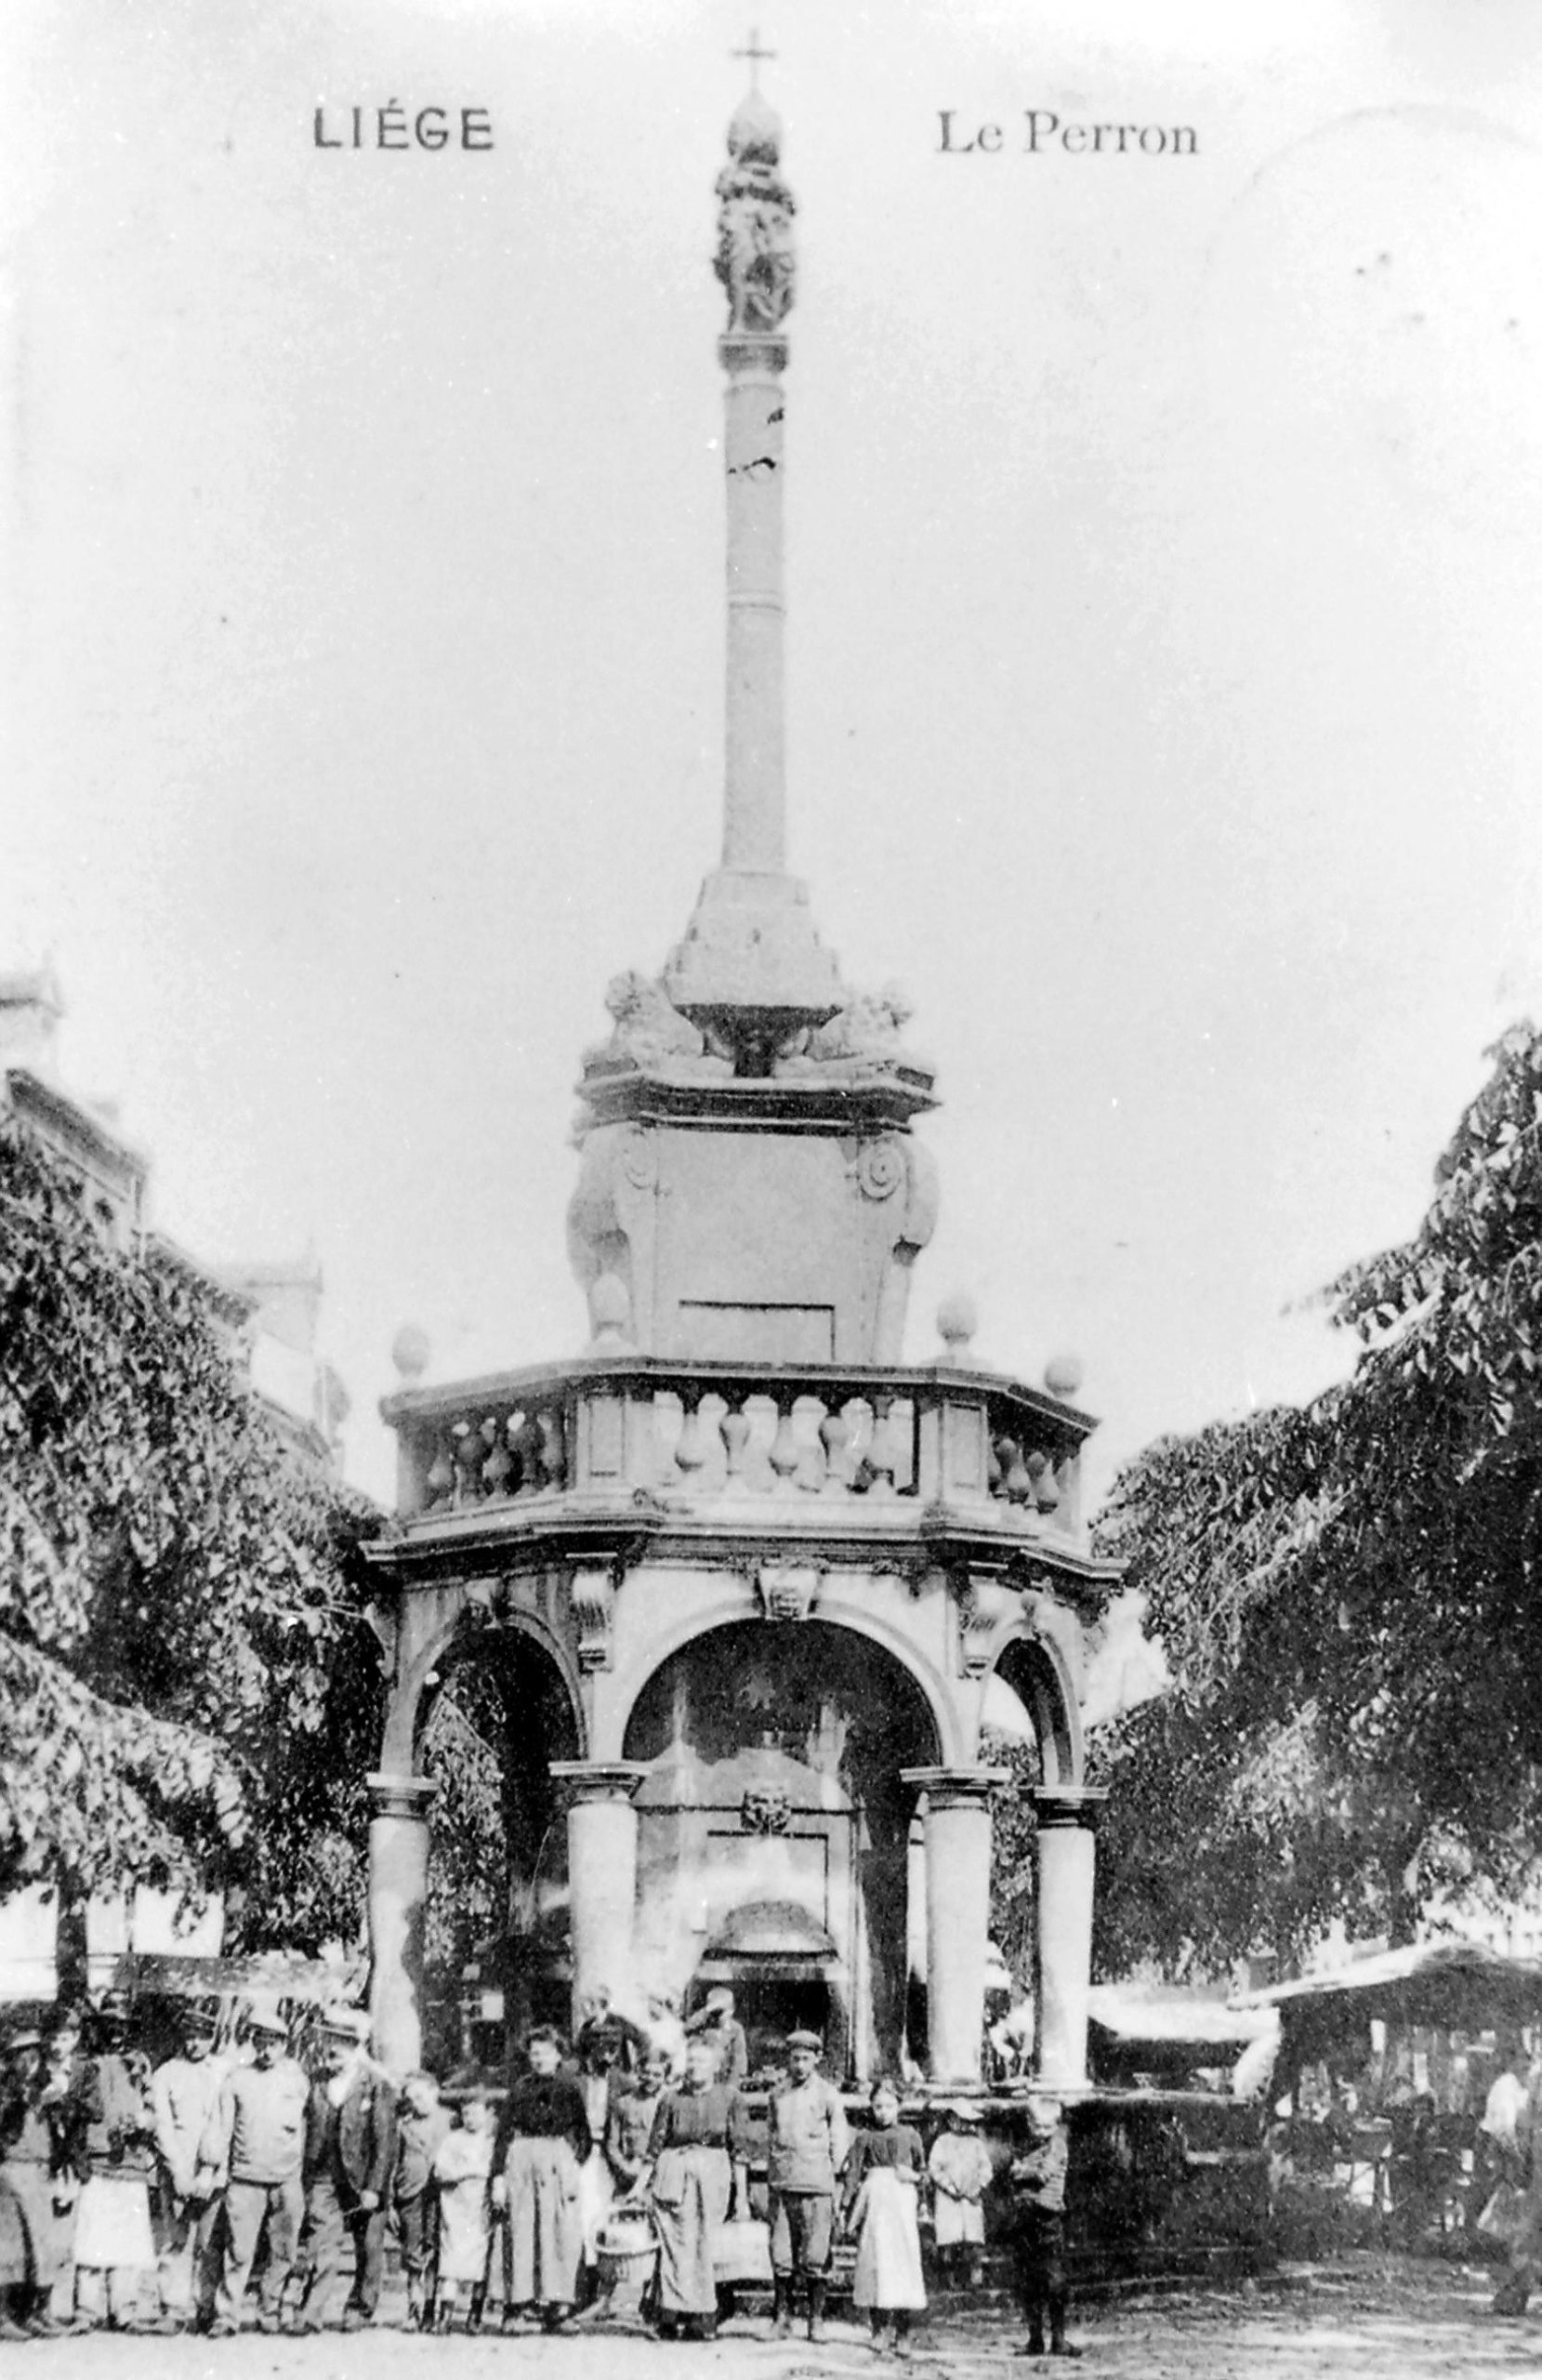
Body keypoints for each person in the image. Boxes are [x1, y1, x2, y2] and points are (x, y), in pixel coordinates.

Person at [198, 1996, 310, 2337]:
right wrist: (213, 2169)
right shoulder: (237, 2080)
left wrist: (297, 2176)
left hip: (286, 2179)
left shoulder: (297, 2080)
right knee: (239, 2251)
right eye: (260, 2041)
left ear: (284, 2045)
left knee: (283, 2251)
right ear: (253, 2041)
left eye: (274, 2042)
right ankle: (226, 2315)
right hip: (245, 2180)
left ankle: (270, 2310)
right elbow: (222, 2130)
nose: (267, 2049)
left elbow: (304, 2128)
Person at [642, 2031, 749, 2342]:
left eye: (701, 2061)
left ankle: (702, 2318)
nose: (694, 2066)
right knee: (674, 2246)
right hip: (673, 2174)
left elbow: (739, 2152)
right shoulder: (671, 2098)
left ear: (715, 2065)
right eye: (690, 2060)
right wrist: (640, 2186)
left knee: (704, 2245)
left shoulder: (731, 2098)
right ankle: (669, 2316)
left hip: (713, 2176)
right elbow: (654, 2148)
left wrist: (741, 2197)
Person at [297, 2006, 398, 2334]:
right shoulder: (317, 2083)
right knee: (320, 2244)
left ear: (355, 2048)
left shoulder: (376, 2085)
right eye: (328, 2043)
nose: (331, 2052)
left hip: (363, 2177)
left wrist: (374, 2187)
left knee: (367, 2247)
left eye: (339, 2046)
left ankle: (360, 2307)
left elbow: (384, 2142)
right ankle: (311, 2311)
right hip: (325, 2175)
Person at [492, 2025, 589, 2331]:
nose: (539, 2059)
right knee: (520, 2233)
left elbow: (582, 2134)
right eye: (534, 2053)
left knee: (559, 2233)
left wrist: (571, 2163)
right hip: (521, 2161)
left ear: (558, 2055)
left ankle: (559, 2308)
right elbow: (503, 2133)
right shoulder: (519, 2088)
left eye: (545, 2053)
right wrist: (498, 2177)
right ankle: (517, 2308)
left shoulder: (570, 2088)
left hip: (556, 2161)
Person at [72, 1993, 159, 2332]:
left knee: (127, 2238)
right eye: (110, 2025)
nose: (116, 2032)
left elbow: (153, 2109)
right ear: (100, 2027)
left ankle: (124, 2309)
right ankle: (87, 2310)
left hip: (131, 2161)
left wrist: (144, 2120)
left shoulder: (139, 2064)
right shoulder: (86, 2064)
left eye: (122, 2025)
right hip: (96, 2159)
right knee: (92, 2235)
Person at [766, 2028, 851, 2344]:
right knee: (781, 2255)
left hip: (816, 2184)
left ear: (816, 2059)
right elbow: (771, 2135)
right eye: (794, 2058)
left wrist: (838, 2183)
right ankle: (782, 2318)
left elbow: (839, 2140)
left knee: (816, 2255)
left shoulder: (828, 2094)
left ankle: (816, 2319)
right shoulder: (777, 2094)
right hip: (784, 2183)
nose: (799, 2065)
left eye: (805, 2059)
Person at [150, 2002, 227, 2331]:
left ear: (213, 2037)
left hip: (214, 2174)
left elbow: (224, 2122)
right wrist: (179, 2172)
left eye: (203, 2036)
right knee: (176, 2241)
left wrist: (209, 2170)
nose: (195, 2043)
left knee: (210, 2244)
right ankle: (173, 2309)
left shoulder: (224, 2072)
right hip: (177, 2172)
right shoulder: (166, 2073)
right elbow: (162, 2127)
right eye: (190, 2036)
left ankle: (206, 2307)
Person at [0, 2024, 80, 2339]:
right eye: (23, 2055)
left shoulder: (48, 2088)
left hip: (40, 2169)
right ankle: (6, 2314)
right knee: (10, 2246)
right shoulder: (7, 2091)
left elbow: (60, 2111)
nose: (30, 2062)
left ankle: (37, 2312)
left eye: (34, 2054)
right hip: (12, 2170)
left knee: (42, 2246)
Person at [844, 2077, 926, 2357]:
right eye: (878, 2106)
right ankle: (878, 2329)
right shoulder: (864, 2137)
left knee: (904, 2261)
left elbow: (924, 2173)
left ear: (899, 2106)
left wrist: (913, 2176)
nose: (883, 2112)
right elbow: (853, 2172)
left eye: (889, 2106)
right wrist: (846, 2205)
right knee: (875, 2261)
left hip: (902, 2199)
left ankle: (904, 2332)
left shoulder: (911, 2135)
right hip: (876, 2200)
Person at [1009, 2095, 1080, 2360]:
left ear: (1056, 2125)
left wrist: (1022, 2170)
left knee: (1054, 2281)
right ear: (1029, 2122)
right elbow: (1011, 2171)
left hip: (1048, 2219)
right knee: (1028, 2281)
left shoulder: (1058, 2145)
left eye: (1048, 2127)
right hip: (1026, 2219)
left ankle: (1059, 2339)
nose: (1042, 2132)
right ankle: (1035, 2338)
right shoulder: (1027, 2145)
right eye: (1037, 2126)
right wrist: (1021, 2170)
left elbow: (1042, 2175)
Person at [431, 2093, 495, 2334]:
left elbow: (494, 2170)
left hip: (479, 2209)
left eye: (476, 2112)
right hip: (455, 2210)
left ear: (488, 2114)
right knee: (450, 2265)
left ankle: (474, 2315)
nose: (471, 2118)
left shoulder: (491, 2141)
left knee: (479, 2264)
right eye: (466, 2113)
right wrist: (468, 2170)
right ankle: (445, 2316)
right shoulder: (453, 2140)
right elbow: (441, 2171)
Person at [392, 2070, 451, 2332]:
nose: (418, 2102)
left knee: (436, 2249)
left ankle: (431, 2307)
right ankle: (413, 2307)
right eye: (411, 2098)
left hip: (442, 2193)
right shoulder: (403, 2126)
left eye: (421, 2095)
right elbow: (392, 2164)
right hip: (411, 2192)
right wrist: (392, 2200)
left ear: (434, 2091)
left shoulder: (452, 2121)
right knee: (413, 2252)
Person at [929, 2099, 993, 2289]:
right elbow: (935, 2168)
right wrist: (949, 2187)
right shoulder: (942, 2142)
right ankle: (949, 2279)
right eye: (960, 2120)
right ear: (950, 2120)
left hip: (970, 2197)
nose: (965, 2125)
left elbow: (986, 2168)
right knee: (949, 2238)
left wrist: (978, 2186)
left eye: (967, 2121)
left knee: (973, 2239)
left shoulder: (975, 2143)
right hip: (949, 2198)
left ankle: (975, 2277)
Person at [573, 1986, 649, 2079]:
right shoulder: (587, 2026)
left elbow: (642, 2040)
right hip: (594, 2077)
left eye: (591, 2003)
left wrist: (638, 2064)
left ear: (603, 2004)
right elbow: (580, 2053)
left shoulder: (618, 2023)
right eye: (586, 2003)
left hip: (618, 2077)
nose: (585, 2007)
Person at [684, 1989, 749, 2086]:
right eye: (714, 2013)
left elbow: (739, 2060)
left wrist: (731, 2086)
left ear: (731, 2010)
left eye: (721, 2012)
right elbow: (686, 2029)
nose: (717, 2017)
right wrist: (705, 2011)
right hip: (706, 2078)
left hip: (726, 2079)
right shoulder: (705, 2028)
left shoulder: (735, 2030)